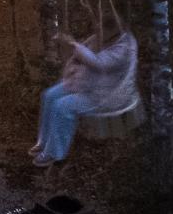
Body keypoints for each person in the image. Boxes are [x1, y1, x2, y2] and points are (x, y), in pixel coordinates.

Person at [30, 26, 138, 167]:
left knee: (62, 106)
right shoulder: (99, 36)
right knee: (49, 95)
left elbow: (100, 63)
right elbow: (79, 55)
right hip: (84, 84)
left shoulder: (126, 45)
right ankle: (43, 142)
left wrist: (72, 44)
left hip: (105, 95)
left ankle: (54, 152)